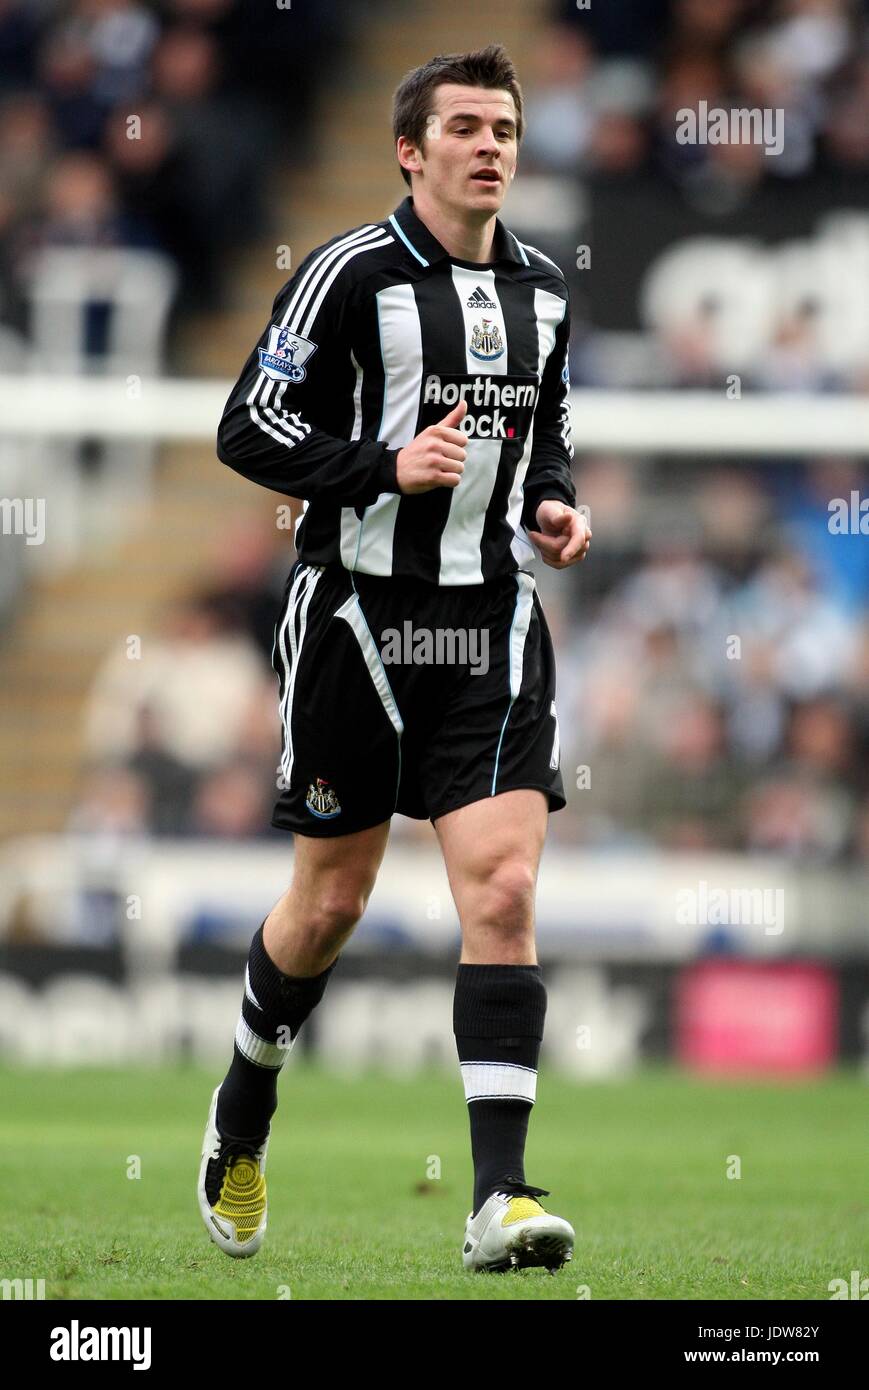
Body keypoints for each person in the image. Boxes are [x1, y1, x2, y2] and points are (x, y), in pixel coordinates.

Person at [197, 43, 591, 1275]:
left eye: (503, 129)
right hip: (355, 622)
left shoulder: (544, 291)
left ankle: (498, 1199)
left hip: (488, 622)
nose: (488, 147)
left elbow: (544, 431)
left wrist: (553, 503)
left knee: (504, 891)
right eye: (463, 127)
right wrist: (380, 467)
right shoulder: (347, 273)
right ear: (410, 152)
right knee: (329, 904)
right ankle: (242, 1112)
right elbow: (247, 426)